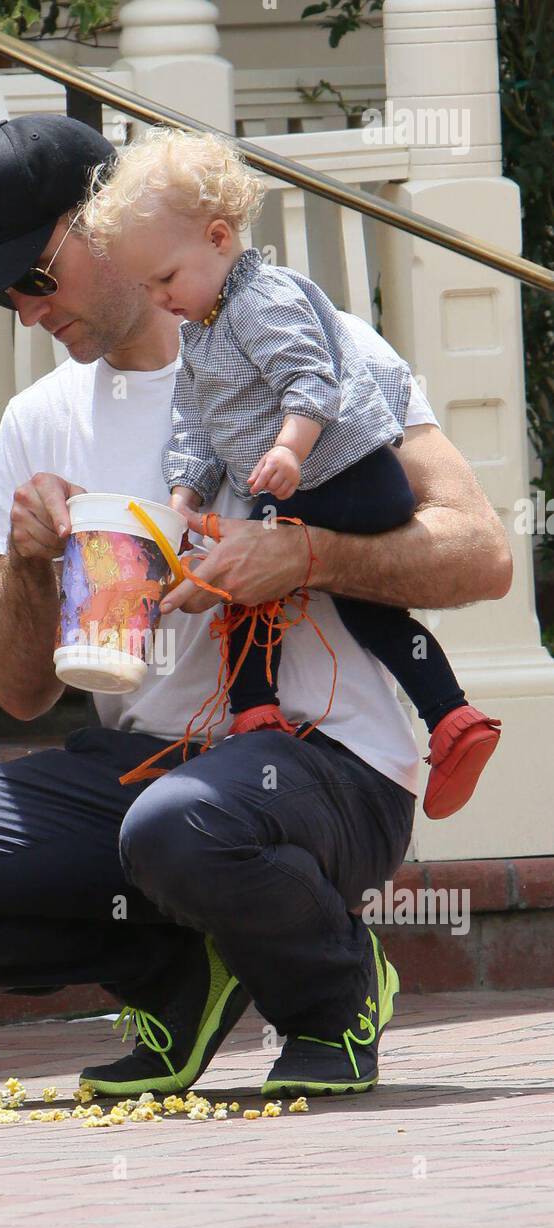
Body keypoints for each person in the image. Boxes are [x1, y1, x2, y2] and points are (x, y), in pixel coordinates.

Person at [0, 115, 512, 1100]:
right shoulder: (39, 419)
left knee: (179, 826)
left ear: (105, 223)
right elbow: (16, 693)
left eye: (33, 276)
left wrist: (303, 554)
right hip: (140, 762)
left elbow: (481, 553)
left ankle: (331, 999)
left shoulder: (303, 344)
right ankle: (175, 977)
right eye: (0, 292)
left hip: (321, 761)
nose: (21, 310)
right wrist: (29, 566)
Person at [81, 127, 501, 818]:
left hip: (347, 473)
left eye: (164, 279)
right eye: (146, 286)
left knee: (260, 583)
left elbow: (310, 379)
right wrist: (184, 493)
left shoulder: (262, 300)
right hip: (306, 480)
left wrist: (288, 450)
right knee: (332, 603)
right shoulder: (203, 327)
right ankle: (442, 719)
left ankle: (265, 714)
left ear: (219, 238)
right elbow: (197, 422)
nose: (158, 299)